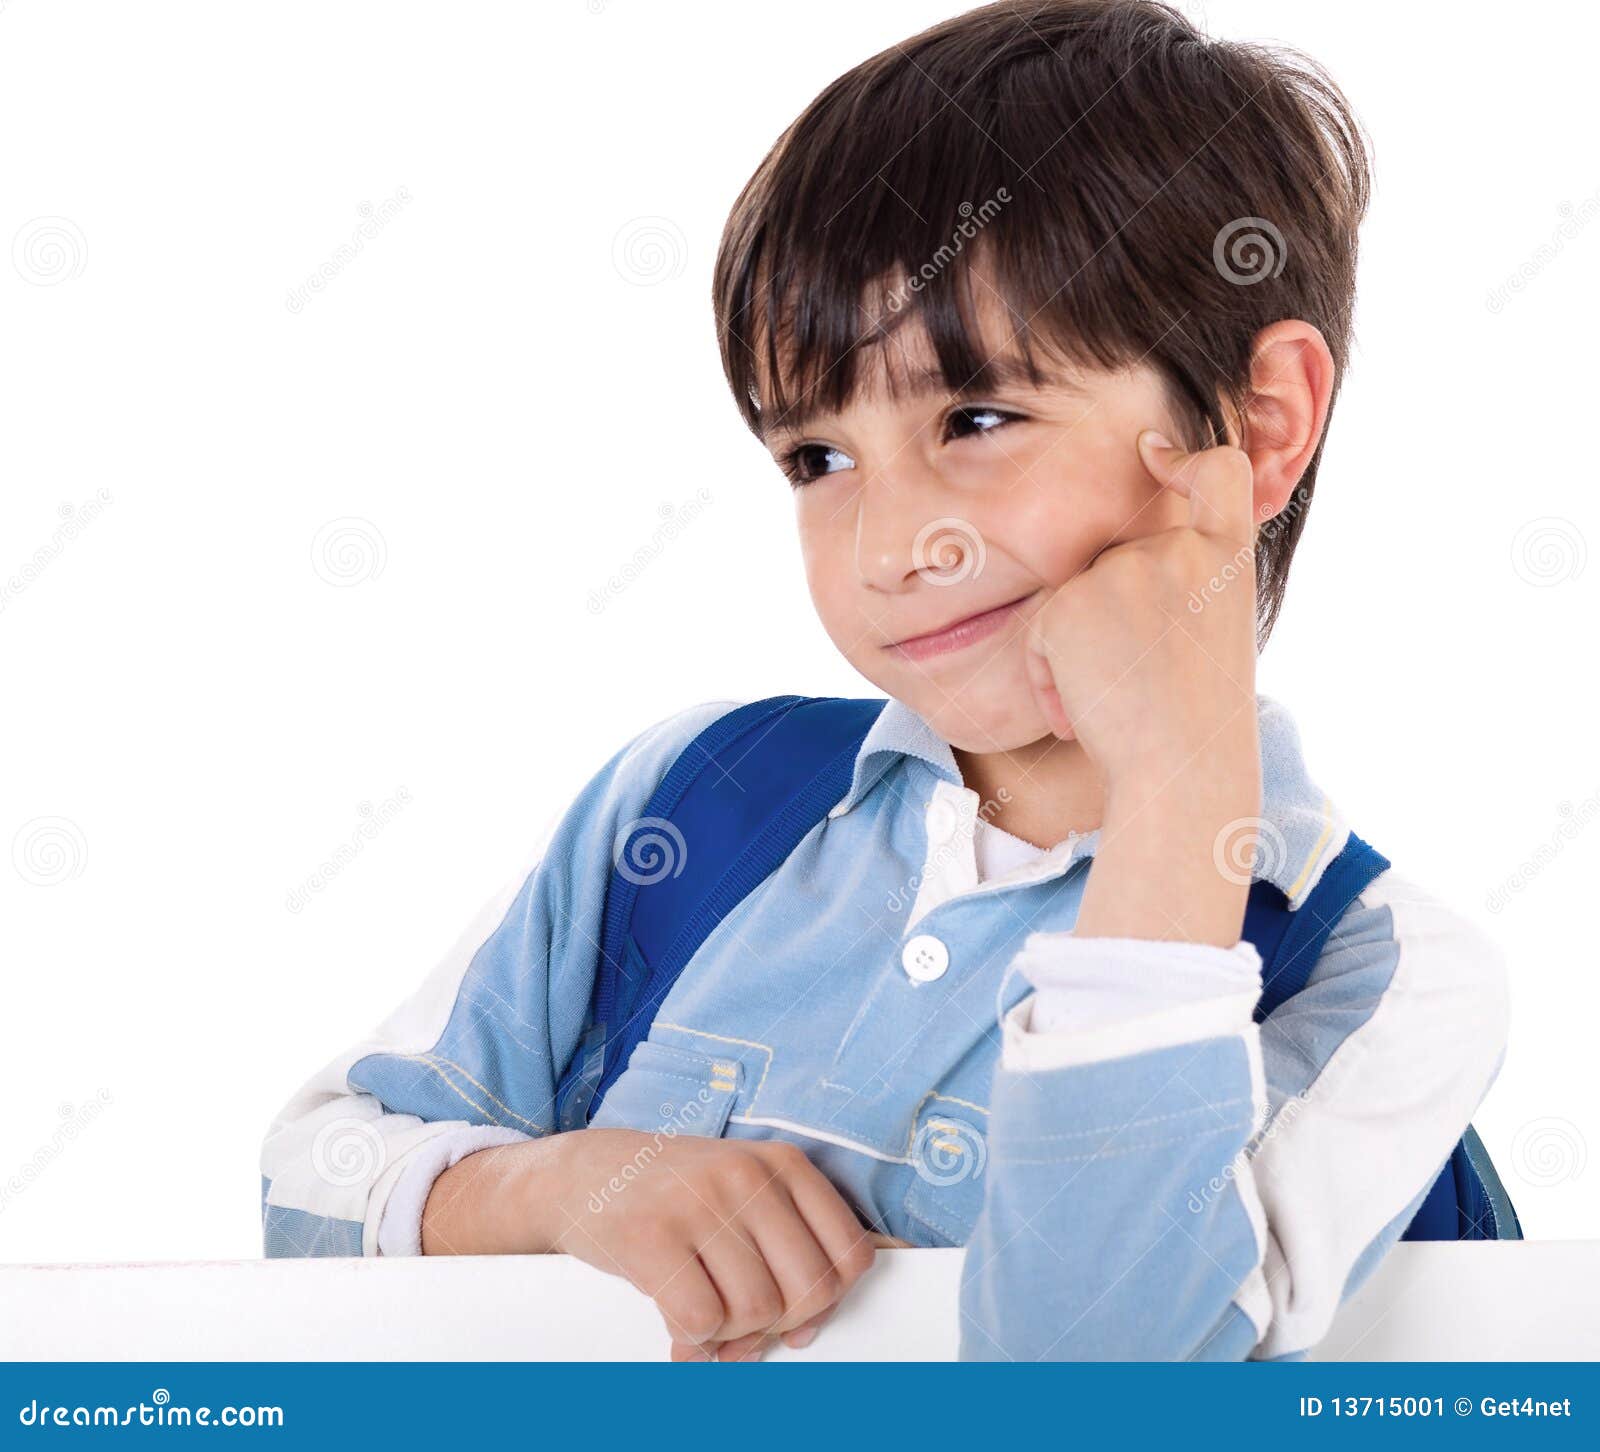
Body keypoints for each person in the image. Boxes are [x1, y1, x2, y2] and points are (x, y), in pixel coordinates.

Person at [262, 0, 1511, 1361]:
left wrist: (1175, 786)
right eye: (818, 457)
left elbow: (1091, 1378)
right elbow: (306, 1197)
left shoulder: (1380, 973)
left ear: (1260, 424)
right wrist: (558, 1189)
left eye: (978, 419)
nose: (890, 546)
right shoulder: (691, 802)